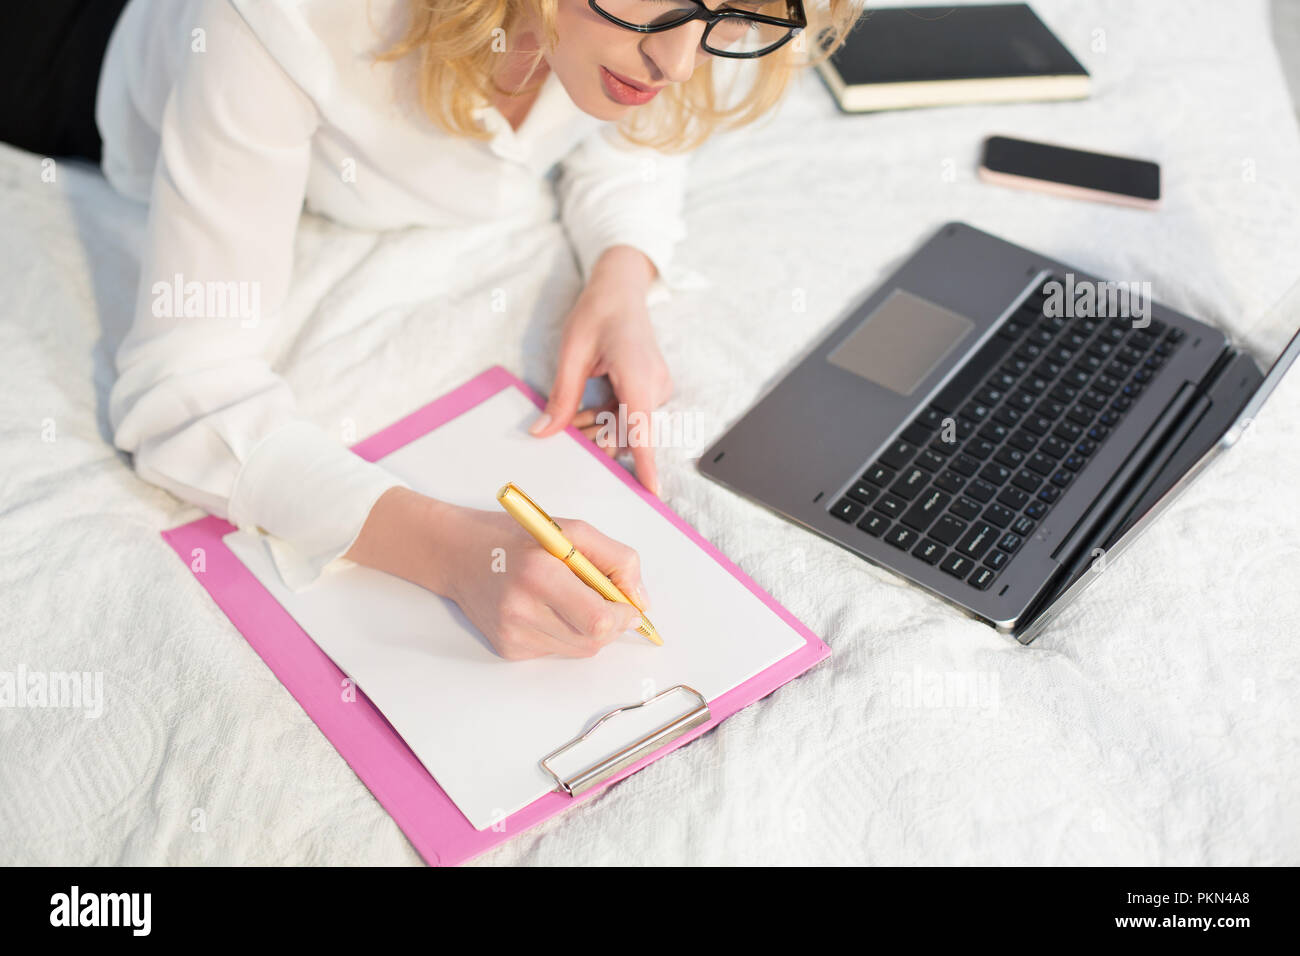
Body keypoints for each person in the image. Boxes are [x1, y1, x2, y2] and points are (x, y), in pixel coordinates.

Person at [1, 0, 859, 659]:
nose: (678, 59)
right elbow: (180, 389)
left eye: (730, 10)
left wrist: (623, 268)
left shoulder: (669, 29)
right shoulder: (283, 20)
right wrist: (458, 555)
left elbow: (636, 140)